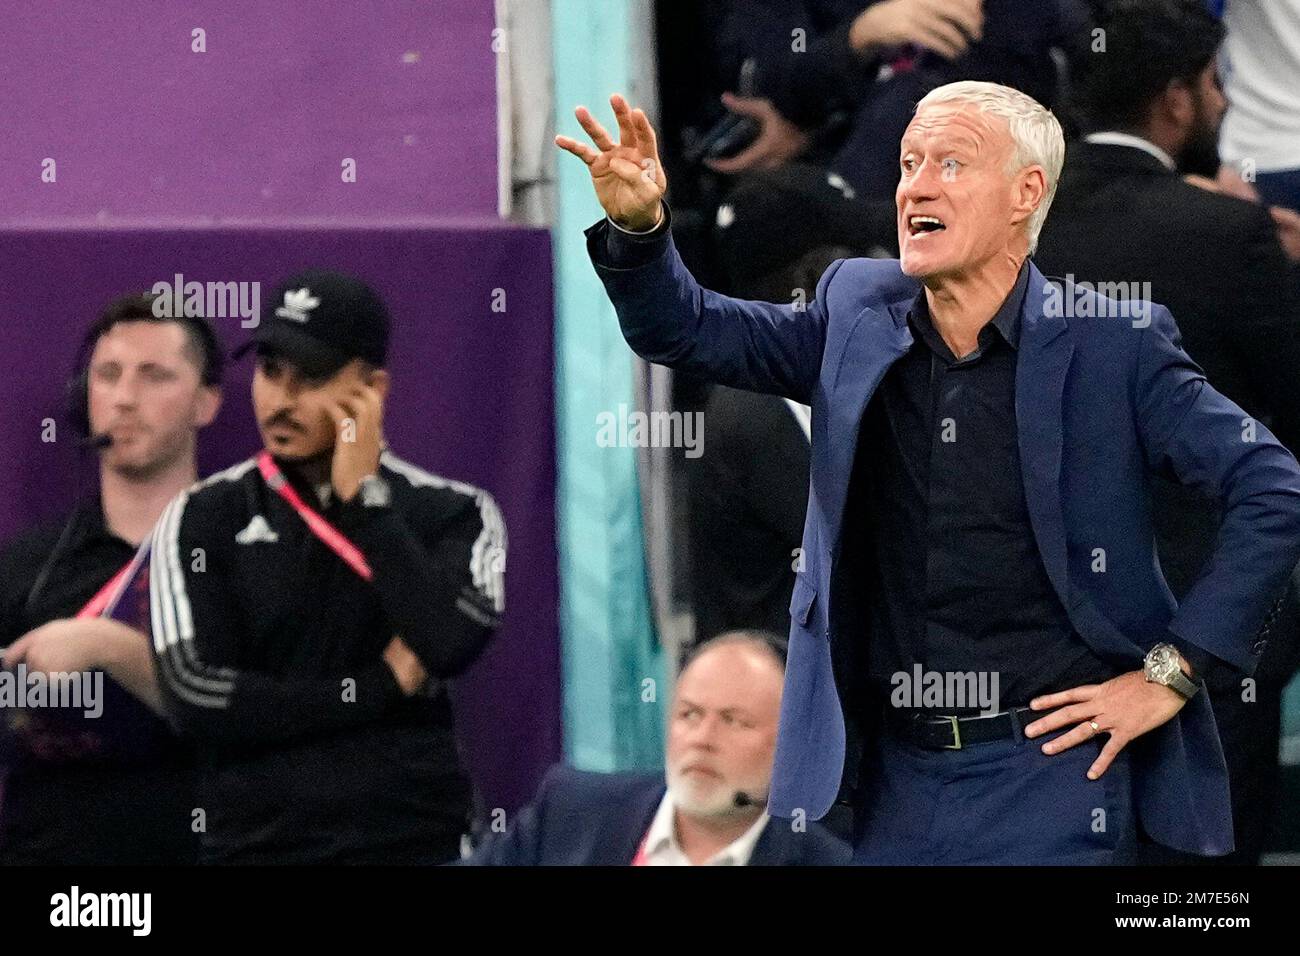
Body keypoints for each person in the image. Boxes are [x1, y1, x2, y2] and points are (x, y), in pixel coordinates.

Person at [555, 82, 1300, 863]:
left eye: (950, 162)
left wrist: (1173, 669)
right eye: (909, 163)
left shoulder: (1115, 343)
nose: (917, 185)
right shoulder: (854, 309)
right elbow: (694, 331)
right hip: (892, 781)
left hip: (1051, 769)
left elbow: (1272, 488)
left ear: (1026, 193)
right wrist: (639, 231)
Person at [1036, 0, 1300, 864]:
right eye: (1216, 82)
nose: (1224, 102)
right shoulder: (1229, 232)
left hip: (1047, 616)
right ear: (1177, 102)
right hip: (1214, 621)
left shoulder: (1020, 226)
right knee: (1206, 870)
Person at [147, 269, 506, 864]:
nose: (281, 399)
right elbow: (198, 695)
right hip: (257, 850)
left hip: (414, 844)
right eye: (269, 372)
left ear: (373, 388)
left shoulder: (454, 513)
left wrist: (367, 504)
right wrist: (376, 688)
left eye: (311, 376)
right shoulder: (202, 515)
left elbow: (446, 643)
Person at [0, 293, 222, 864]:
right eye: (108, 375)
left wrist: (106, 649)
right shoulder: (29, 567)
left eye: (155, 377)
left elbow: (268, 721)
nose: (125, 399)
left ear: (206, 402)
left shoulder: (249, 555)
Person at [466, 631, 849, 865]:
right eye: (689, 714)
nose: (702, 738)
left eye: (734, 721)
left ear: (791, 747)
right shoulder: (570, 811)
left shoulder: (827, 860)